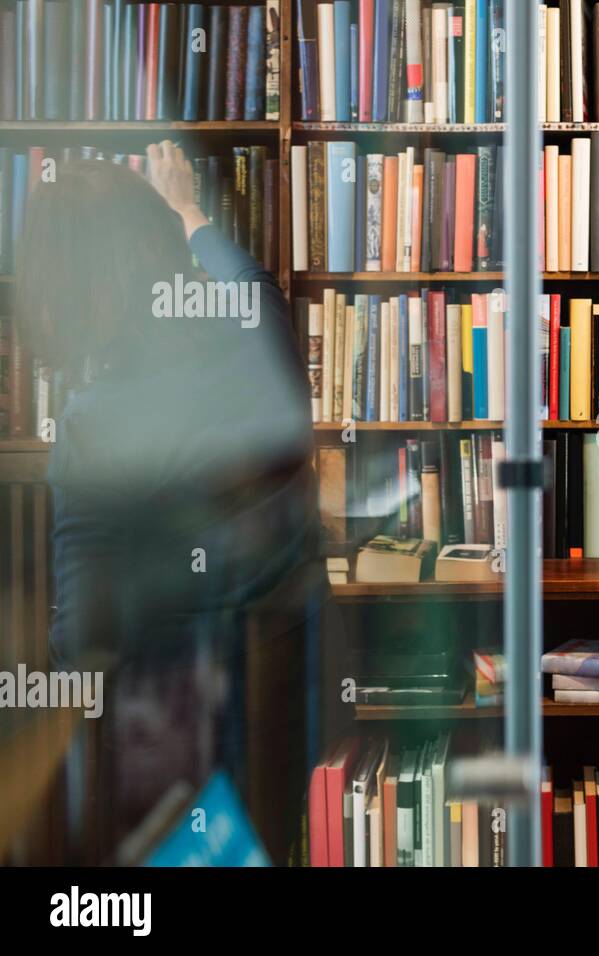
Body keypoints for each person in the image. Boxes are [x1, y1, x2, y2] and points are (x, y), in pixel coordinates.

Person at [15, 142, 344, 861]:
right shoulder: (257, 335)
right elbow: (252, 282)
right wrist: (188, 208)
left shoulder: (91, 425)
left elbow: (86, 640)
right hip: (289, 712)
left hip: (177, 744)